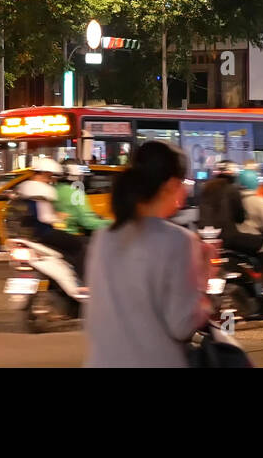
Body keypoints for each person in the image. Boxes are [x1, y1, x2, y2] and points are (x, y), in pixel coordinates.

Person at [85, 141, 211, 367]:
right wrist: (203, 280)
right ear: (171, 185)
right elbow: (182, 324)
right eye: (183, 183)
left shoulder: (103, 237)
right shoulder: (177, 241)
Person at [197, 160, 263, 301]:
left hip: (206, 240)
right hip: (229, 238)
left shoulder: (206, 190)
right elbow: (239, 217)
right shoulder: (232, 190)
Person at [14, 158, 90, 280]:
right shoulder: (41, 190)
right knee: (79, 245)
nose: (50, 181)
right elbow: (44, 217)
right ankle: (82, 282)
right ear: (44, 174)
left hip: (32, 234)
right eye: (48, 177)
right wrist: (59, 218)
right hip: (45, 233)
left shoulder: (24, 188)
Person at [55, 160, 112, 236]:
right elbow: (88, 222)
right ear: (75, 175)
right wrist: (111, 223)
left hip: (55, 234)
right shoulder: (76, 194)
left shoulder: (54, 189)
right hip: (71, 236)